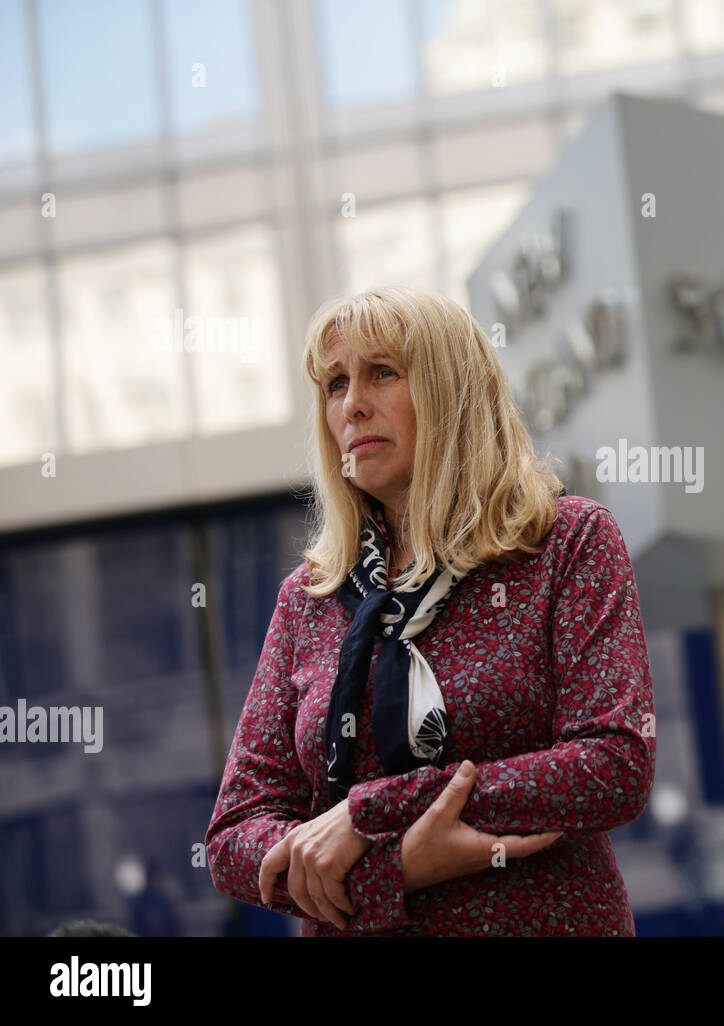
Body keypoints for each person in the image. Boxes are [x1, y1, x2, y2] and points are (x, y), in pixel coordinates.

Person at [205, 285, 656, 935]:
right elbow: (232, 837)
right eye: (335, 384)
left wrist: (370, 813)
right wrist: (398, 869)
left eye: (381, 373)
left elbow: (614, 765)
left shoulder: (566, 543)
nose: (352, 404)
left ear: (454, 392)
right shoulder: (308, 601)